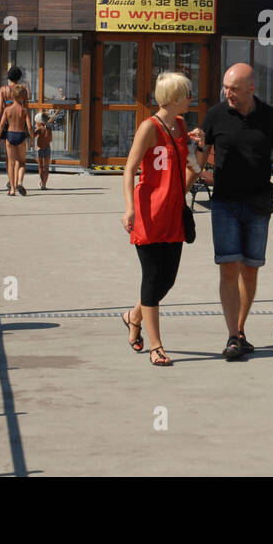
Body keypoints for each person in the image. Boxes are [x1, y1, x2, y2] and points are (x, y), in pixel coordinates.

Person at [193, 63, 273, 361]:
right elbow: (198, 161)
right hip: (224, 203)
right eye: (226, 88)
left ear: (251, 88)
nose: (228, 94)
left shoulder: (270, 118)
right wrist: (181, 182)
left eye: (234, 89)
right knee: (228, 267)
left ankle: (239, 329)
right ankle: (232, 336)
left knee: (250, 269)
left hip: (258, 205)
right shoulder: (215, 115)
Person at [121, 73, 200, 366]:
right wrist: (129, 208)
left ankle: (133, 316)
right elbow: (129, 169)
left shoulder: (180, 126)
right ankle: (156, 346)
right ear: (173, 97)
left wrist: (199, 150)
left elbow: (190, 172)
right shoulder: (149, 127)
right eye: (187, 93)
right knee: (153, 279)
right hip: (149, 213)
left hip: (173, 212)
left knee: (167, 280)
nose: (192, 97)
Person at [0, 66, 30, 182]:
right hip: (19, 120)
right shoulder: (23, 90)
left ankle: (11, 180)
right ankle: (16, 180)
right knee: (19, 156)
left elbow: (0, 107)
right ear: (19, 77)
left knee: (10, 156)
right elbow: (26, 107)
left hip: (6, 120)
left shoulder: (3, 89)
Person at [0, 85, 33, 196]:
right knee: (22, 162)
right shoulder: (24, 110)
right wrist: (32, 138)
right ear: (23, 97)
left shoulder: (7, 109)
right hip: (20, 135)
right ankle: (19, 182)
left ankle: (13, 189)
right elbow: (29, 127)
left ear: (12, 96)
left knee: (11, 163)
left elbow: (1, 125)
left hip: (10, 135)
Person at [35, 113, 53, 189]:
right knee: (46, 167)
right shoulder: (49, 129)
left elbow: (33, 135)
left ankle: (42, 182)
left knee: (40, 167)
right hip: (47, 148)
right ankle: (44, 184)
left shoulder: (39, 129)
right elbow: (50, 140)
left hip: (40, 149)